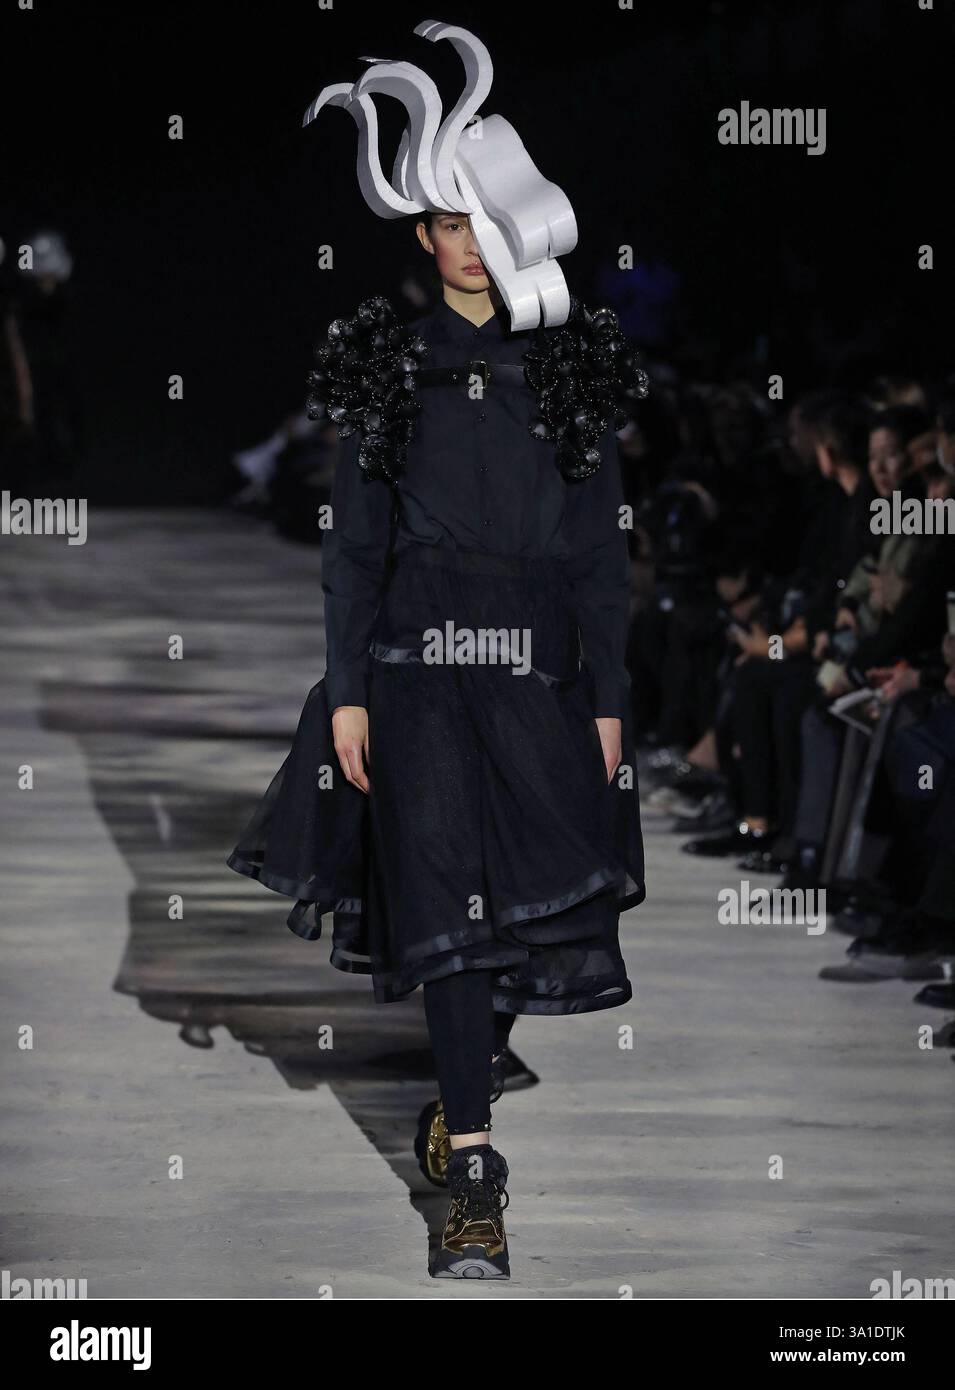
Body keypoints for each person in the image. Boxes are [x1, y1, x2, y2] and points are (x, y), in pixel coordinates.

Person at [227, 22, 648, 1281]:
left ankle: (464, 1099)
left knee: (536, 910)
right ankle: (471, 1174)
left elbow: (597, 548)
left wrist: (611, 695)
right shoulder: (384, 364)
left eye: (483, 216)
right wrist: (348, 691)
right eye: (447, 222)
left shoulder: (569, 362)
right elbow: (353, 545)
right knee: (456, 928)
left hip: (536, 661)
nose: (467, 240)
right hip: (415, 661)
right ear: (423, 235)